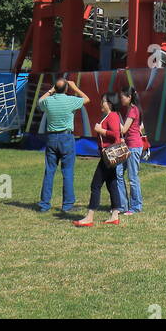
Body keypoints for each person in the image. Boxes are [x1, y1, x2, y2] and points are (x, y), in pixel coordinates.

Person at [37, 75, 90, 214]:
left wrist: (51, 90)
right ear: (66, 88)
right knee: (67, 172)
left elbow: (39, 101)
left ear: (55, 88)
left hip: (52, 138)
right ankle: (67, 205)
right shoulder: (71, 100)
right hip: (66, 137)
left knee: (49, 171)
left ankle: (44, 204)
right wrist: (75, 87)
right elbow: (87, 99)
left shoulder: (48, 101)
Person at [73, 94, 126, 227]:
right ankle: (115, 215)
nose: (101, 104)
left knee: (95, 185)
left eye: (103, 101)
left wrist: (100, 130)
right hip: (109, 156)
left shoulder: (112, 116)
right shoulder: (111, 116)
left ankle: (89, 217)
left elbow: (115, 135)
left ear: (109, 103)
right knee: (112, 184)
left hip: (108, 156)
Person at [118, 87, 145, 214]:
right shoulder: (134, 109)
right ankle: (124, 204)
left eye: (122, 97)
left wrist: (115, 119)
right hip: (130, 145)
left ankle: (136, 206)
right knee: (119, 173)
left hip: (134, 146)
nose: (121, 99)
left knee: (133, 178)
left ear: (129, 97)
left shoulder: (133, 110)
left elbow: (123, 130)